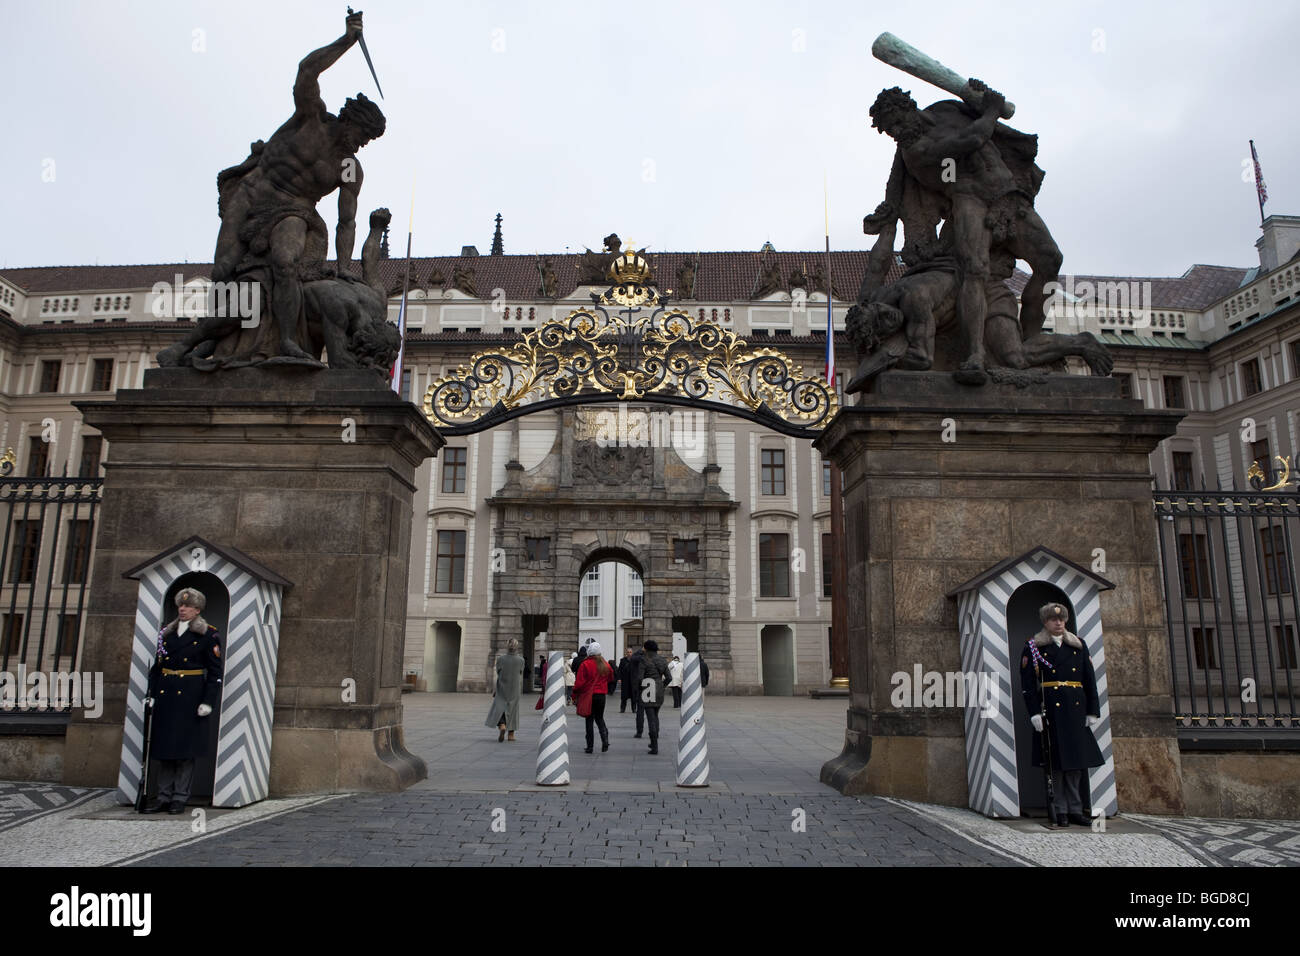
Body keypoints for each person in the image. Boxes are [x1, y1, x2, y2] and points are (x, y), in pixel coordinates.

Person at [1020, 602, 1104, 827]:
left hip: (1075, 709)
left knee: (1075, 764)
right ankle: (1060, 809)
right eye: (1052, 619)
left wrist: (1092, 710)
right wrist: (1034, 713)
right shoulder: (1034, 647)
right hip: (1052, 711)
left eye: (1061, 619)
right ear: (1045, 622)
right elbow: (1028, 684)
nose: (1058, 623)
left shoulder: (1078, 645)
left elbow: (1089, 680)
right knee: (1055, 764)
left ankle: (1076, 808)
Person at [144, 588, 224, 814]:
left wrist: (208, 701)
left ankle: (180, 797)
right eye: (180, 605)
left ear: (197, 610)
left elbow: (215, 671)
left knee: (184, 752)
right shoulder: (166, 633)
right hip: (166, 696)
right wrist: (151, 693)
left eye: (188, 606)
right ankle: (163, 796)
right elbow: (157, 668)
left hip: (190, 697)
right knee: (164, 750)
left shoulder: (208, 634)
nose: (183, 609)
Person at [572, 641, 613, 753]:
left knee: (589, 720)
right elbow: (610, 677)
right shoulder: (605, 664)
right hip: (601, 696)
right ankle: (605, 741)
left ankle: (590, 746)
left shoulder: (585, 664)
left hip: (589, 696)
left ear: (589, 651)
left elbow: (579, 683)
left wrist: (574, 695)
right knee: (600, 718)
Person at [631, 639, 671, 755]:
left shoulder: (644, 660)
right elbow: (669, 678)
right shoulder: (662, 660)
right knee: (655, 716)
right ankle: (654, 741)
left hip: (647, 690)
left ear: (646, 649)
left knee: (650, 718)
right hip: (658, 690)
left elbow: (639, 678)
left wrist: (639, 689)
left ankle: (654, 746)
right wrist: (662, 686)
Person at [485, 639, 524, 742]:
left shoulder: (501, 659)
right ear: (517, 647)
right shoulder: (521, 660)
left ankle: (502, 725)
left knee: (500, 707)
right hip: (515, 688)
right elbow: (520, 672)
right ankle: (511, 735)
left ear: (507, 646)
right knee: (513, 710)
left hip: (502, 686)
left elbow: (498, 671)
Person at [617, 648, 635, 713]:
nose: (629, 653)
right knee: (624, 696)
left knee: (633, 696)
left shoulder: (634, 660)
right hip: (625, 680)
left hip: (633, 681)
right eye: (628, 652)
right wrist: (619, 678)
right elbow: (619, 670)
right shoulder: (622, 660)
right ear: (626, 653)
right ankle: (622, 709)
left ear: (632, 653)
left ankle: (634, 709)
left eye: (630, 652)